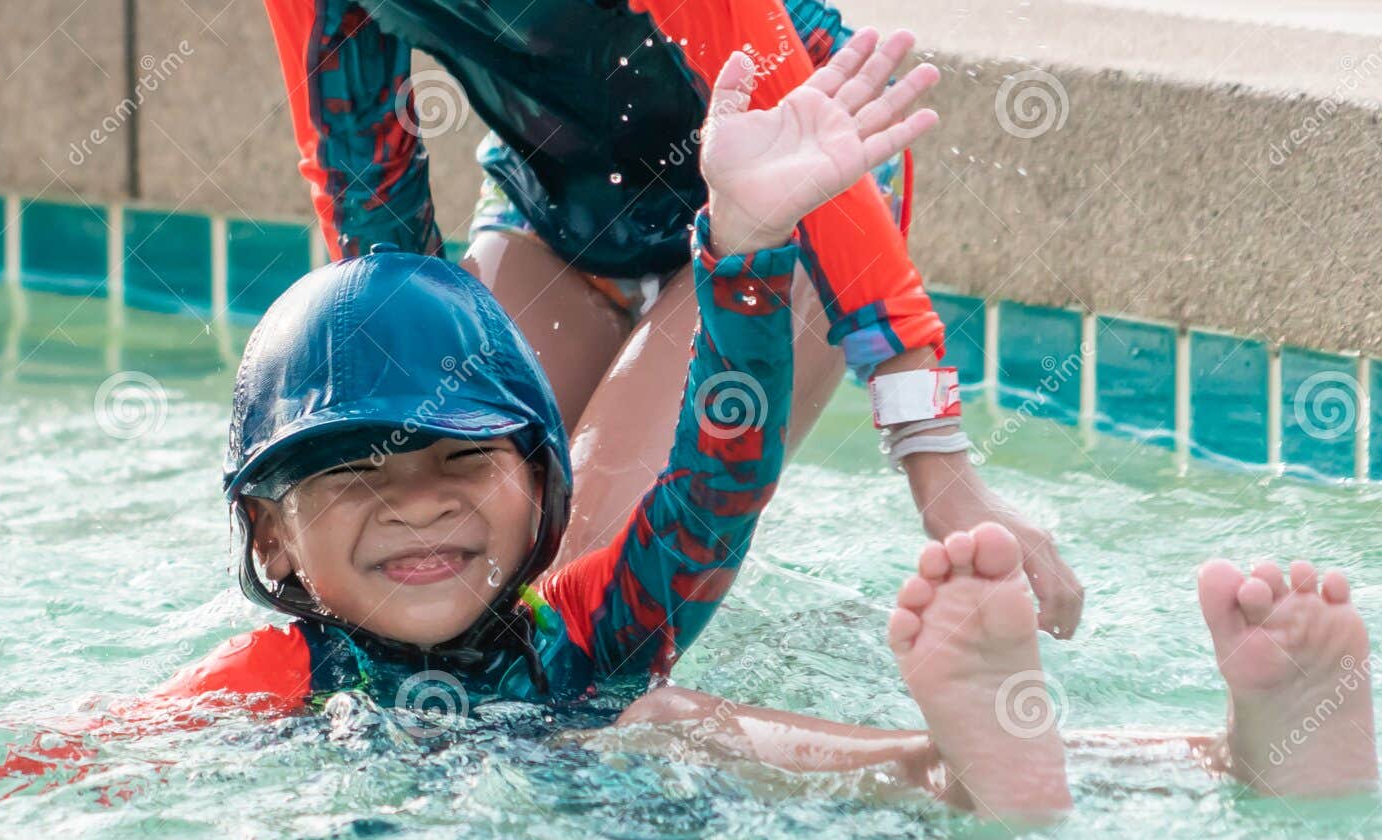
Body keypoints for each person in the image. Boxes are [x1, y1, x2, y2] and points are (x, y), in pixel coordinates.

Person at [0, 40, 1374, 824]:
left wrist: (752, 252)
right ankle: (1035, 766)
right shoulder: (281, 663)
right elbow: (65, 747)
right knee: (792, 755)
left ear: (540, 488)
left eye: (464, 468)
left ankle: (1122, 751)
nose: (423, 504)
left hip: (781, 180)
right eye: (358, 477)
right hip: (561, 225)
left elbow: (716, 465)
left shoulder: (591, 633)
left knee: (822, 750)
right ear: (267, 533)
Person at [263, 2, 1087, 638]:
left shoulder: (799, 168)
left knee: (581, 604)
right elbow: (363, 180)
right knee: (460, 583)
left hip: (799, 178)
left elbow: (788, 119)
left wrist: (938, 463)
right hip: (558, 208)